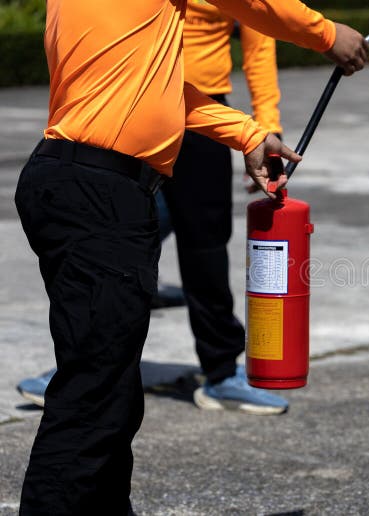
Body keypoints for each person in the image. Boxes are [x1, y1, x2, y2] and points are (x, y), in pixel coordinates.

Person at [13, 0, 369, 511]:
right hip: (100, 193)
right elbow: (256, 5)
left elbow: (157, 89)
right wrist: (327, 34)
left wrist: (246, 133)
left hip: (70, 183)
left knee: (111, 395)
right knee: (92, 398)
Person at [17, 0, 292, 416]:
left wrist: (264, 127)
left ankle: (220, 373)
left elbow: (260, 43)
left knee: (205, 241)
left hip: (205, 109)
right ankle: (77, 372)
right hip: (131, 99)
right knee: (108, 235)